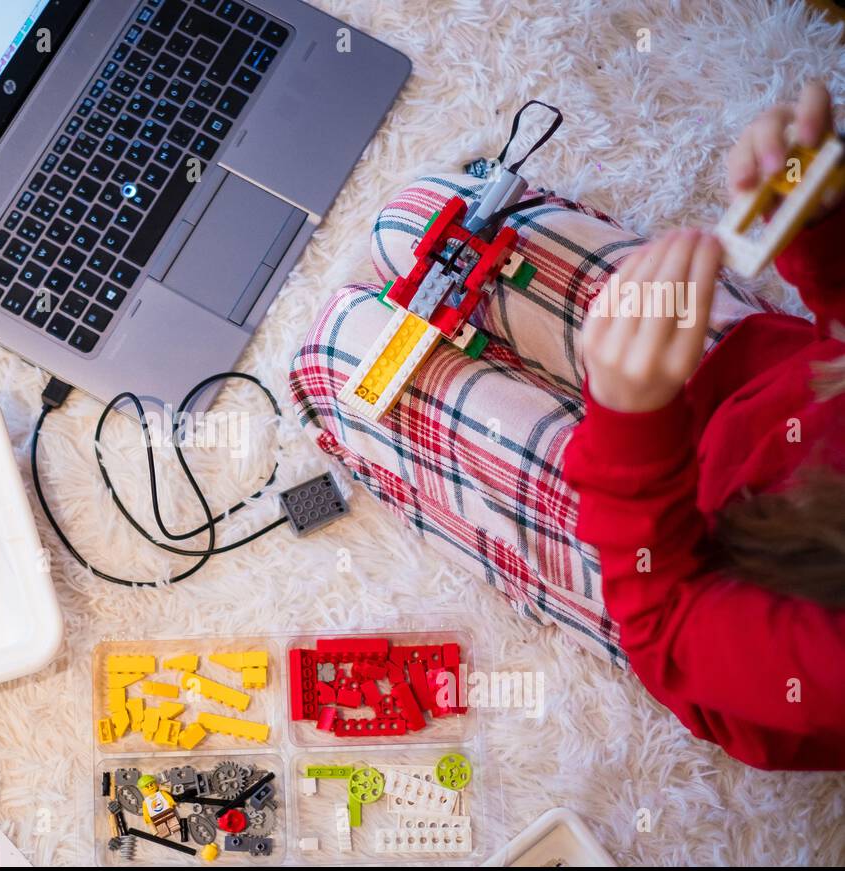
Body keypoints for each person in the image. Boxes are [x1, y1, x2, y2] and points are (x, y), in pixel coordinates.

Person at [290, 81, 844, 770]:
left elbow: (666, 621)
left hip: (672, 577)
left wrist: (630, 423)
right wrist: (818, 216)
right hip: (749, 381)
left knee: (331, 355)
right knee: (417, 217)